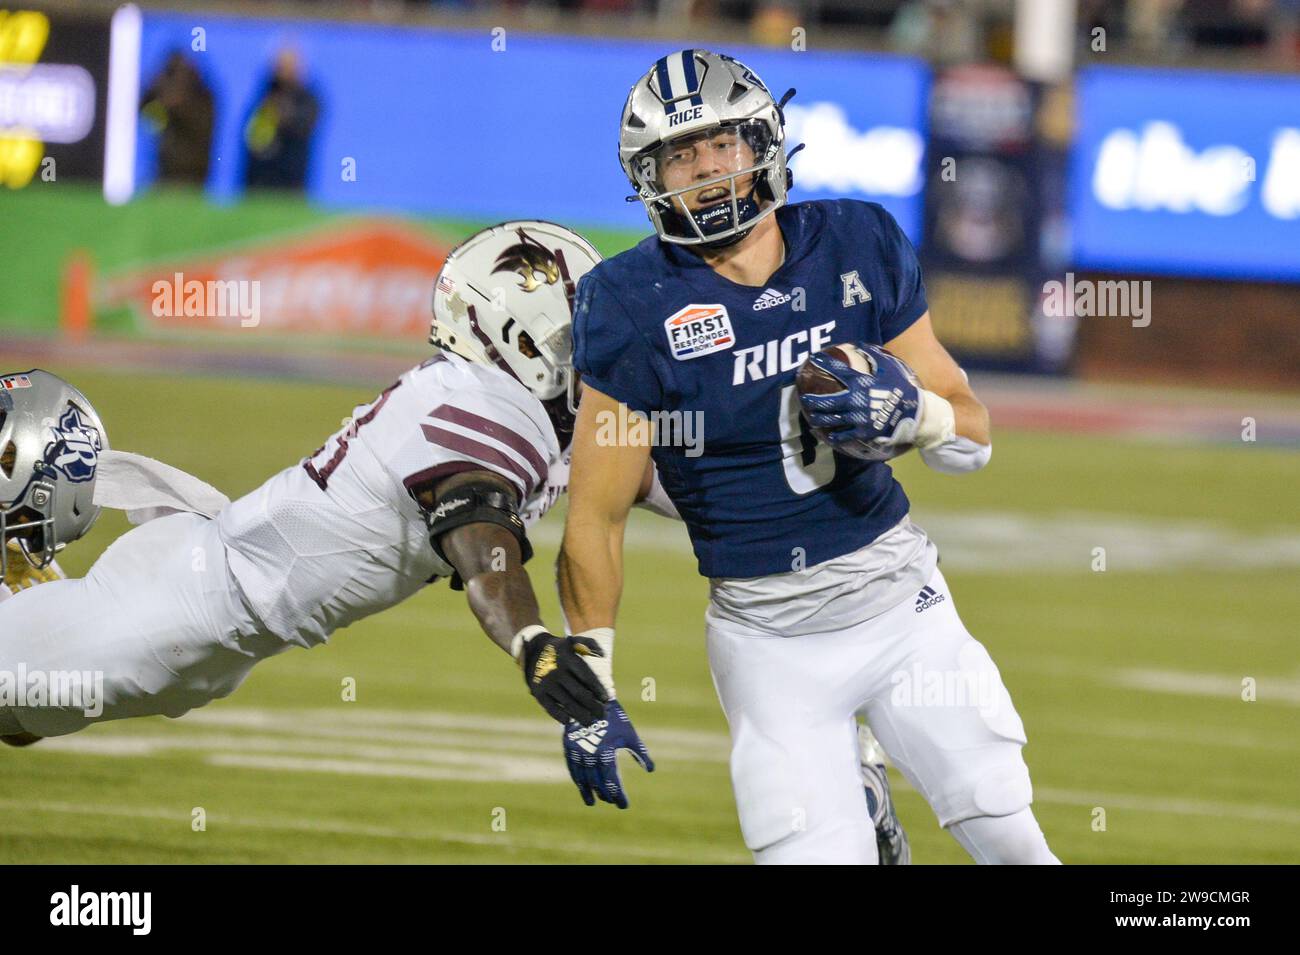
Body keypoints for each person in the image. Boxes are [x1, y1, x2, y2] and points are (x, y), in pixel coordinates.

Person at [556, 49, 1058, 864]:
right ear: (649, 175)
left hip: (903, 610)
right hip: (768, 643)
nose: (706, 169)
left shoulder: (854, 241)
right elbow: (595, 513)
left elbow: (973, 435)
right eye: (680, 154)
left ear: (763, 144)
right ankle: (860, 805)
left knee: (1008, 836)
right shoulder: (628, 301)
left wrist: (916, 415)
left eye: (722, 143)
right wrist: (594, 678)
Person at [0, 223, 656, 809]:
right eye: (581, 330)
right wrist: (534, 644)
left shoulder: (536, 414)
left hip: (227, 629)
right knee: (17, 691)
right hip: (190, 600)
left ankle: (25, 591)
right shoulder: (482, 405)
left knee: (24, 715)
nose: (600, 348)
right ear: (520, 339)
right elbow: (479, 539)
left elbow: (654, 471)